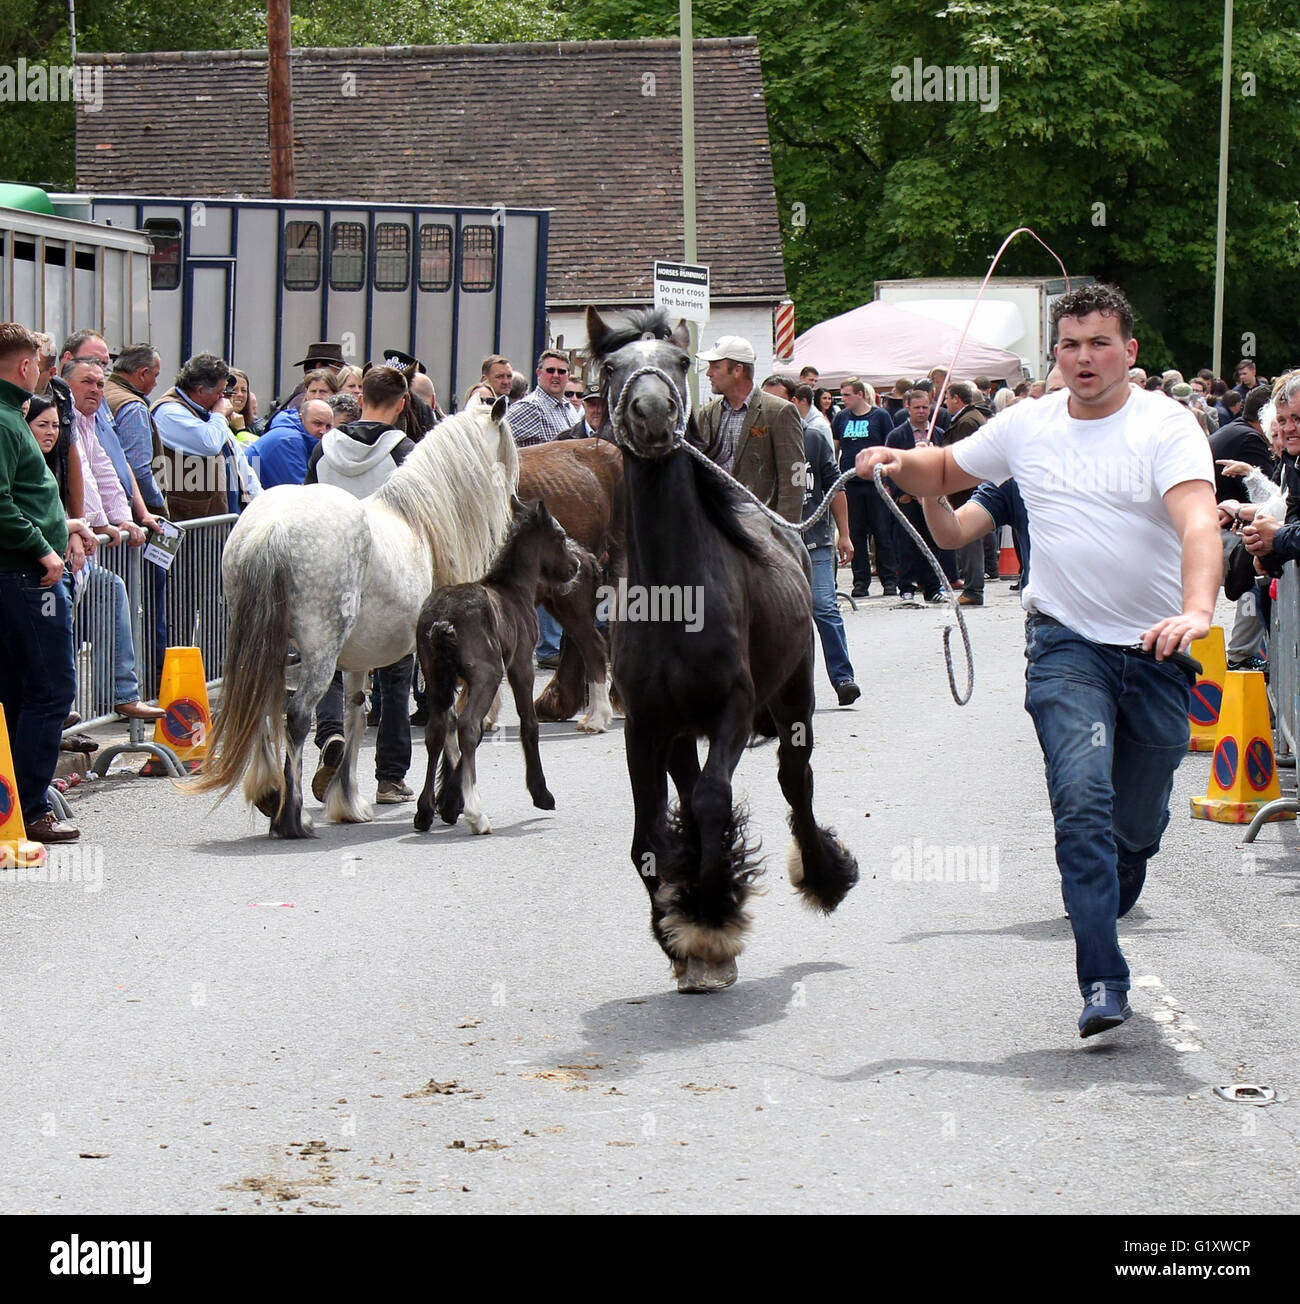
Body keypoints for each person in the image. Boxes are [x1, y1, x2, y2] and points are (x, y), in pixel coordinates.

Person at [856, 283, 1220, 1040]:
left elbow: (1196, 525)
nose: (1084, 358)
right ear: (1055, 355)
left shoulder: (1167, 425)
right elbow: (940, 473)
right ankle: (1103, 980)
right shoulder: (1026, 426)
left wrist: (1196, 611)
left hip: (1157, 650)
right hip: (1065, 646)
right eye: (1070, 345)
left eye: (1099, 343)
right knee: (1081, 801)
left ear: (1129, 351)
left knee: (1135, 820)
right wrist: (893, 459)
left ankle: (1129, 855)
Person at [304, 365, 418, 806]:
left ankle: (330, 735)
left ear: (359, 398)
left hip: (329, 563)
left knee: (327, 658)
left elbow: (310, 504)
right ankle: (390, 777)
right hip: (388, 568)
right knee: (396, 671)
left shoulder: (325, 448)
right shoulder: (405, 451)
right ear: (402, 403)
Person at [0, 323, 79, 843]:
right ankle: (28, 808)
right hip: (27, 577)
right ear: (26, 366)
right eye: (40, 365)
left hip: (21, 574)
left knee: (16, 692)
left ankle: (14, 806)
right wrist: (43, 547)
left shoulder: (10, 416)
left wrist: (64, 527)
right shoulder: (6, 420)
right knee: (50, 691)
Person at [793, 389, 859, 705]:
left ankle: (843, 678)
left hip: (816, 538)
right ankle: (792, 690)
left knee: (823, 606)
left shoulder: (813, 438)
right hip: (776, 541)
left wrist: (844, 534)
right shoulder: (759, 441)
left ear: (796, 402)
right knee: (786, 615)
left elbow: (835, 487)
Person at [696, 335, 804, 522]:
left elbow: (794, 476)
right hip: (716, 524)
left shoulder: (779, 411)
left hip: (762, 527)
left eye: (715, 366)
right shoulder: (707, 413)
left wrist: (785, 530)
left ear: (738, 370)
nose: (708, 373)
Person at [153, 355, 262, 519]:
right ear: (200, 390)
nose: (224, 398)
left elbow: (240, 464)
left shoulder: (208, 414)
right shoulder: (169, 413)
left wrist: (260, 505)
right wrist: (220, 414)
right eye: (219, 392)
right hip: (190, 520)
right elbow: (210, 444)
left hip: (220, 516)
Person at [831, 378, 896, 596]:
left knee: (882, 532)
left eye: (848, 395)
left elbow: (889, 449)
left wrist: (889, 480)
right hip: (851, 483)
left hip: (875, 483)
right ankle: (860, 581)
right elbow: (835, 448)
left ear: (861, 394)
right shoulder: (841, 418)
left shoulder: (880, 416)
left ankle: (889, 579)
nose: (844, 399)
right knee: (856, 533)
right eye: (842, 395)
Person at [249, 398, 333, 488]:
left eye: (328, 426)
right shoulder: (289, 441)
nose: (323, 431)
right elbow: (299, 491)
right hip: (247, 489)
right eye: (317, 424)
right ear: (301, 418)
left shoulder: (295, 437)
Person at [507, 349, 576, 448]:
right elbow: (496, 438)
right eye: (550, 370)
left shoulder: (569, 407)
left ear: (568, 375)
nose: (556, 375)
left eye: (561, 371)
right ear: (539, 373)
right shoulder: (530, 407)